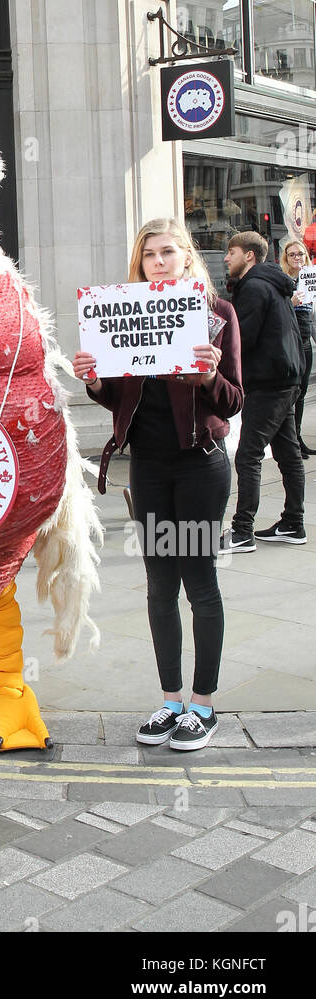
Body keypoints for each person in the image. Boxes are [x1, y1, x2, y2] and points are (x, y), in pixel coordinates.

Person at [73, 216, 243, 752]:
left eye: (168, 252)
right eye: (150, 255)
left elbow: (235, 399)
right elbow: (123, 396)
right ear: (140, 263)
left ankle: (203, 705)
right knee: (158, 585)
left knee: (199, 581)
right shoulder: (123, 313)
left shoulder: (217, 314)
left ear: (187, 256)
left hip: (199, 465)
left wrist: (208, 378)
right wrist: (97, 380)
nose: (159, 262)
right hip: (147, 466)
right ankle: (171, 701)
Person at [223, 231, 306, 551]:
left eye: (232, 252)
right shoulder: (271, 283)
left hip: (270, 382)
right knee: (287, 454)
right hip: (285, 378)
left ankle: (242, 530)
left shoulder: (255, 287)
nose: (227, 258)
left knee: (248, 455)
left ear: (250, 256)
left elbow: (241, 338)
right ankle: (294, 523)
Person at [280, 240, 313, 458]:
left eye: (300, 254)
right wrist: (290, 302)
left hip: (307, 338)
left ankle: (298, 437)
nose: (296, 258)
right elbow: (275, 312)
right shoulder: (282, 280)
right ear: (285, 258)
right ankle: (291, 439)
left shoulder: (309, 278)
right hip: (291, 339)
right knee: (293, 391)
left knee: (302, 390)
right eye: (292, 255)